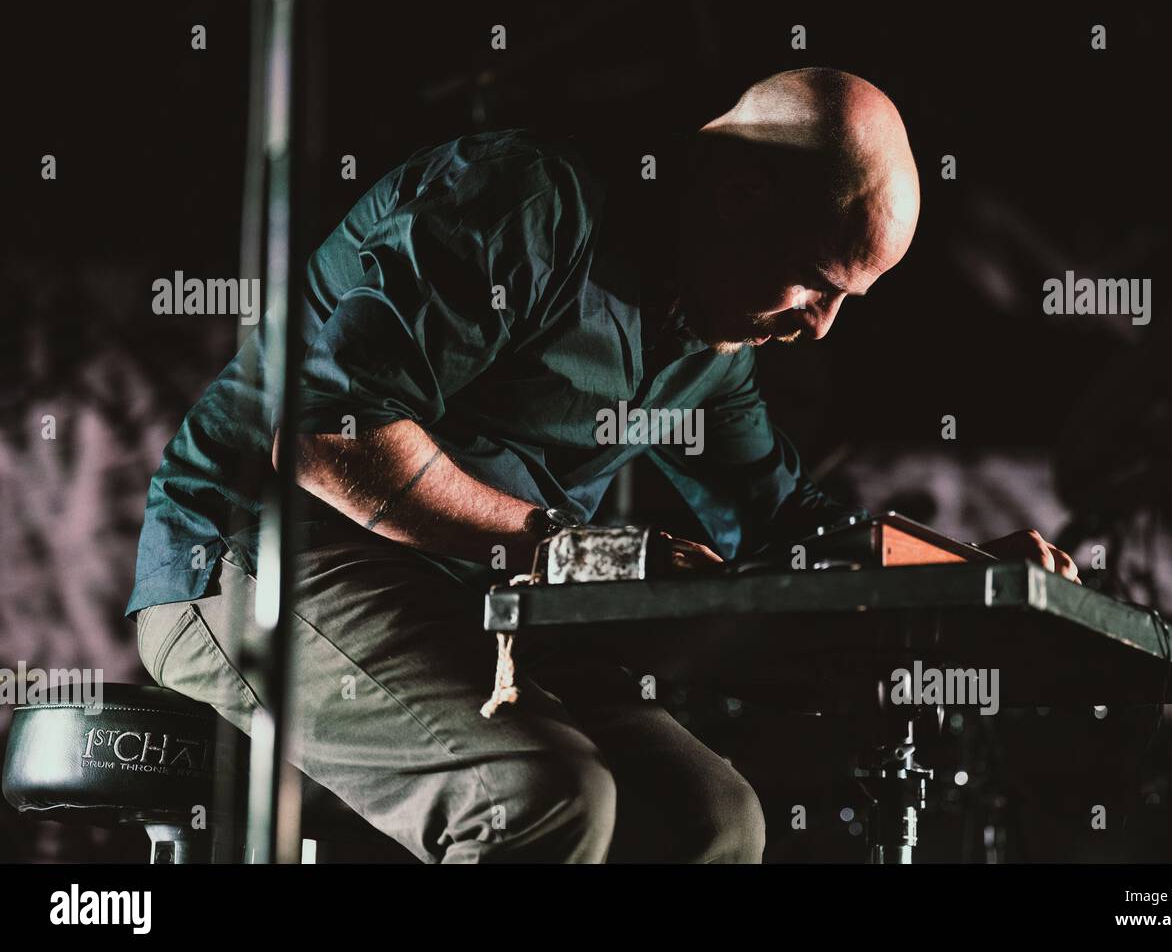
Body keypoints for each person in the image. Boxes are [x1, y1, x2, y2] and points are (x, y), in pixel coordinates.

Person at [128, 67, 1078, 863]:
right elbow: (332, 428)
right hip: (252, 559)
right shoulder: (528, 203)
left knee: (713, 820)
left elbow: (784, 526)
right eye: (817, 281)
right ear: (740, 197)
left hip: (471, 601)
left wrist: (962, 571)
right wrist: (572, 551)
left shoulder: (712, 348)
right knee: (541, 797)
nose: (820, 323)